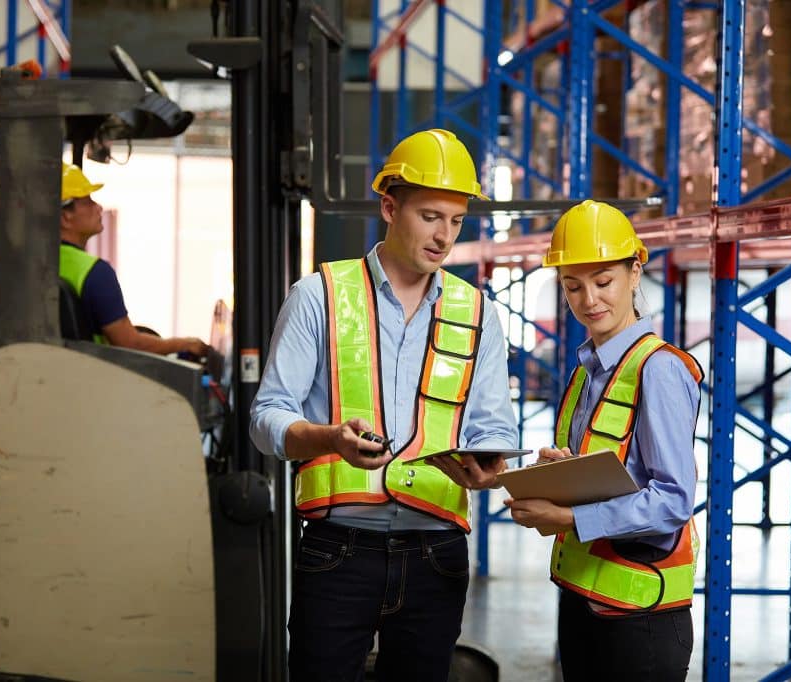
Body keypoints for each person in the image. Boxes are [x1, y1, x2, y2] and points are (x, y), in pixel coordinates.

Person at [249, 129, 518, 681]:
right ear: (390, 208)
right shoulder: (319, 296)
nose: (444, 236)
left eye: (456, 221)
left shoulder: (477, 312)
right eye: (430, 216)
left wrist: (488, 469)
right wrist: (329, 439)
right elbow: (266, 415)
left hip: (437, 552)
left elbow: (494, 428)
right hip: (338, 549)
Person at [504, 200, 703, 680]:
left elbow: (673, 500)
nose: (589, 300)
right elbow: (614, 470)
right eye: (572, 286)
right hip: (583, 601)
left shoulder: (659, 369)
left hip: (642, 618)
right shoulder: (587, 371)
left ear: (635, 273)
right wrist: (561, 473)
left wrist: (570, 516)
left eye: (603, 281)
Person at [59, 162, 208, 357]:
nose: (98, 207)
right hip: (93, 370)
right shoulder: (94, 272)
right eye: (87, 202)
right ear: (65, 217)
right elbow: (130, 343)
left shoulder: (39, 265)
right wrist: (186, 344)